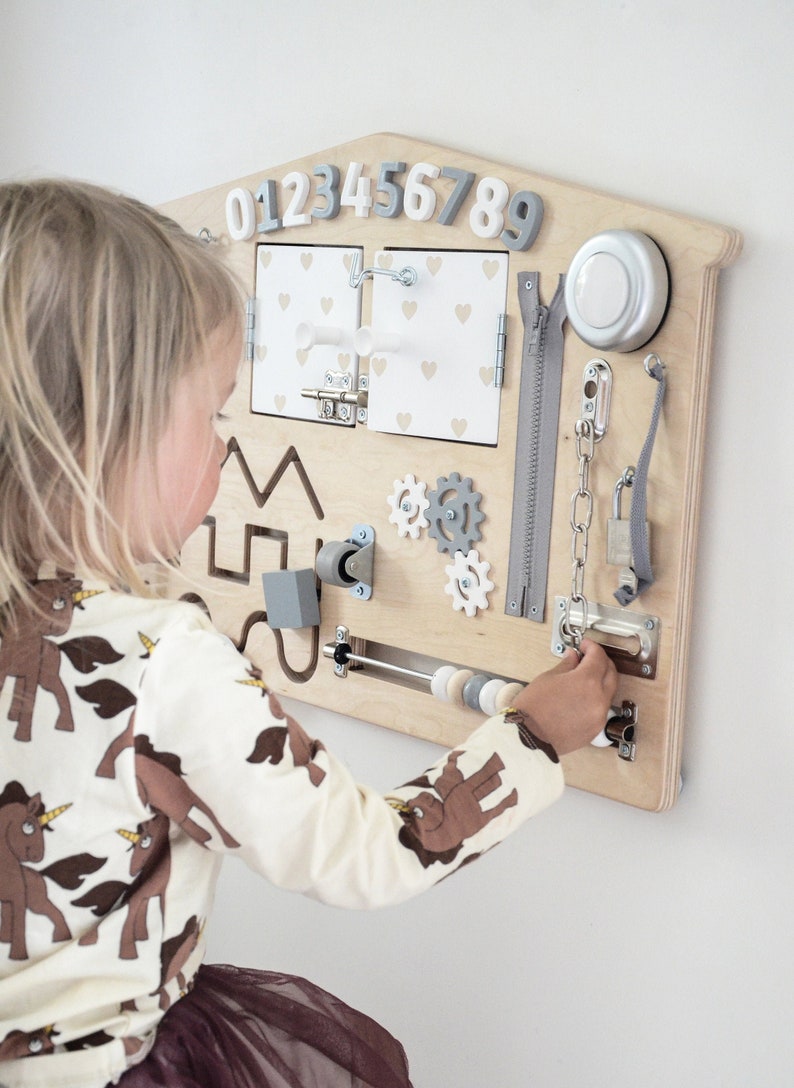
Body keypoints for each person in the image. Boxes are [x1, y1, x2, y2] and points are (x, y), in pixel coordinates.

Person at [0, 179, 617, 1088]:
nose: (223, 448)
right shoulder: (160, 664)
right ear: (100, 429)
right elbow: (362, 853)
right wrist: (529, 738)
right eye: (210, 413)